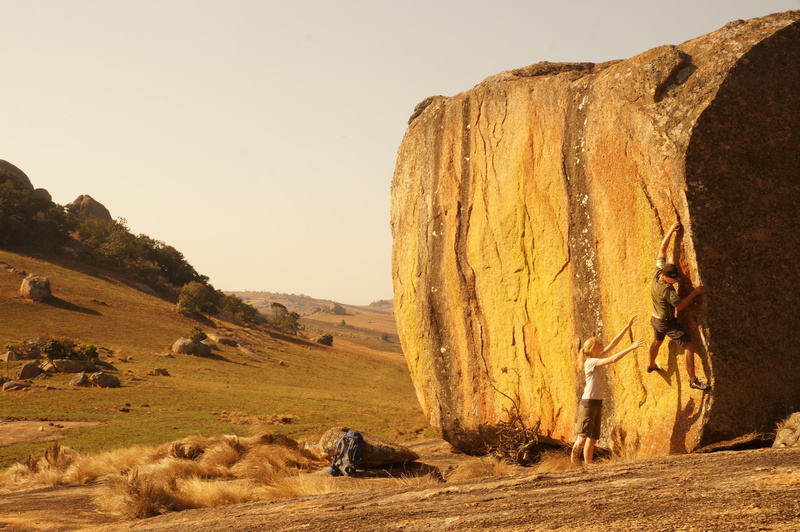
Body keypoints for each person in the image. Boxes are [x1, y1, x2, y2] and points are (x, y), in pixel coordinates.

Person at [647, 221, 709, 390]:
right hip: (667, 322)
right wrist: (695, 293)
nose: (675, 282)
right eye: (673, 280)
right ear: (667, 278)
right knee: (689, 346)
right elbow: (681, 306)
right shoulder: (667, 290)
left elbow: (662, 249)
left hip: (655, 318)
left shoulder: (658, 272)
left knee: (657, 341)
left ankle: (651, 364)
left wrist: (670, 231)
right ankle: (693, 380)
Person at [571, 318, 644, 464]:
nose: (602, 345)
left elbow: (613, 344)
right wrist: (631, 347)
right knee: (582, 437)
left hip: (597, 402)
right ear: (592, 348)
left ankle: (589, 465)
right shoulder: (590, 362)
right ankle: (572, 464)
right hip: (588, 403)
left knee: (592, 438)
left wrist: (626, 326)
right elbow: (612, 359)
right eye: (599, 344)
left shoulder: (597, 357)